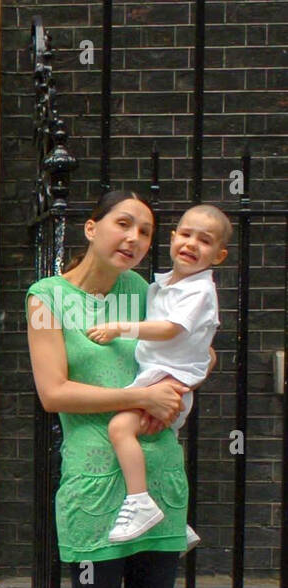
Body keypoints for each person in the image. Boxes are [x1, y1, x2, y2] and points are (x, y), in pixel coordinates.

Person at [26, 189, 194, 588]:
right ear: (91, 226)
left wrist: (179, 382)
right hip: (96, 492)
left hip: (160, 485)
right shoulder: (48, 297)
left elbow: (195, 351)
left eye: (146, 231)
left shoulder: (152, 298)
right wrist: (137, 393)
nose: (135, 238)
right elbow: (54, 391)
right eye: (124, 224)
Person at [84, 204, 229, 544]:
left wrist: (121, 328)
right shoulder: (164, 284)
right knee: (158, 441)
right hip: (165, 374)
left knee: (120, 428)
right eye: (187, 234)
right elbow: (203, 347)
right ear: (173, 237)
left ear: (219, 256)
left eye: (205, 241)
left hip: (167, 377)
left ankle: (140, 502)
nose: (192, 244)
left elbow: (168, 329)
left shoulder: (199, 290)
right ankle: (175, 519)